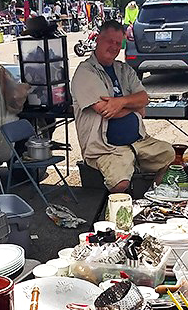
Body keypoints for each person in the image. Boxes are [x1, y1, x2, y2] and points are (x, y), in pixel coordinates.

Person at [71, 20, 174, 193]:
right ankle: (115, 212)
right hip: (106, 149)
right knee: (120, 182)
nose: (114, 46)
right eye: (109, 41)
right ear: (97, 39)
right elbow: (106, 110)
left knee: (170, 156)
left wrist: (120, 102)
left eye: (118, 43)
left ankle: (153, 197)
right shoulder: (85, 72)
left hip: (138, 141)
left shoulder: (123, 69)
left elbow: (144, 99)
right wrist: (134, 106)